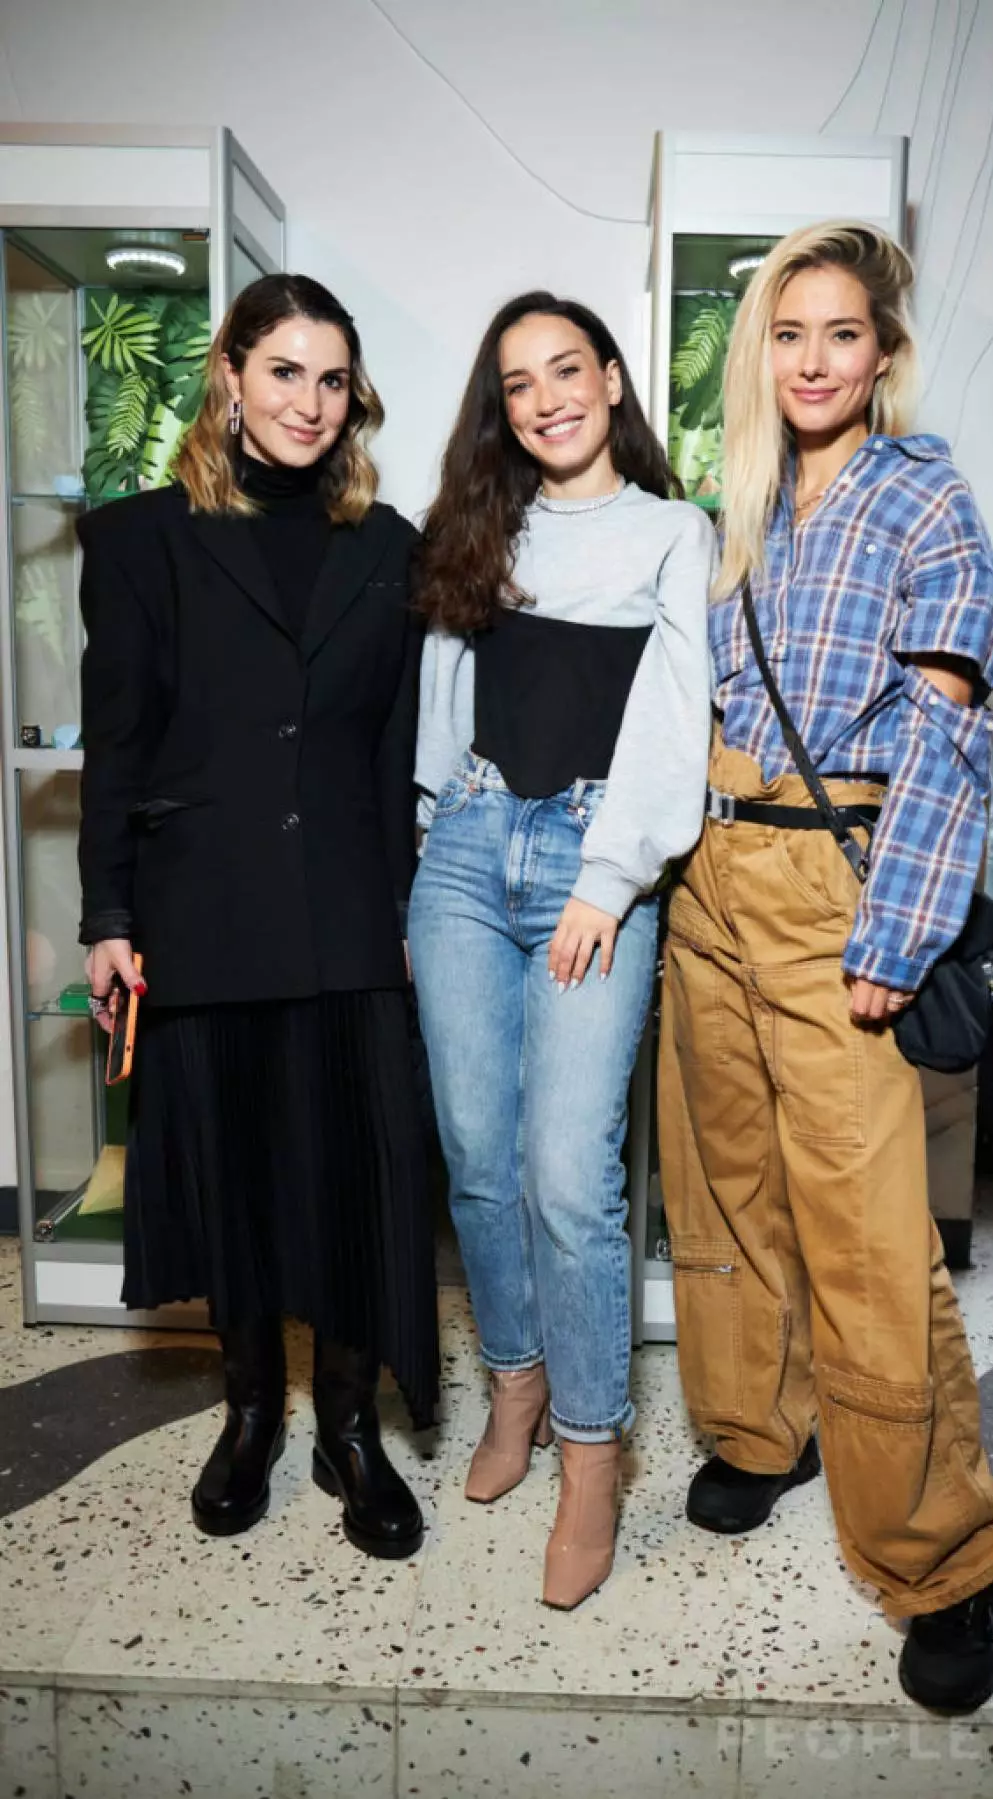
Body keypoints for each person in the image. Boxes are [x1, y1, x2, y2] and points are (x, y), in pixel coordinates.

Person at [657, 222, 993, 1711]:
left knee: (872, 1236)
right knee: (724, 1186)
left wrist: (896, 932)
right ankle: (760, 1429)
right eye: (790, 333)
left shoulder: (919, 492)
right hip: (709, 875)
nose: (815, 359)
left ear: (885, 350)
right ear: (766, 351)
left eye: (843, 334)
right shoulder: (738, 500)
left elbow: (948, 729)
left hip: (838, 886)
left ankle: (939, 1558)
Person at [78, 272, 437, 1559]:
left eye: (332, 378)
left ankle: (349, 1425)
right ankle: (249, 1416)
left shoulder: (388, 546)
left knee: (348, 1178)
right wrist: (107, 910)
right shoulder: (137, 540)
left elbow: (398, 748)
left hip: (349, 919)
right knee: (233, 1180)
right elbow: (117, 743)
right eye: (284, 370)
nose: (309, 401)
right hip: (205, 913)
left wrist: (408, 906)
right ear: (229, 375)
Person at [409, 292, 713, 1609]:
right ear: (504, 405)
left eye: (566, 368)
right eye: (519, 380)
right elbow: (441, 696)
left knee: (569, 1176)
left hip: (598, 864)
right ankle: (515, 1384)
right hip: (470, 853)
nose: (545, 396)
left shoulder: (671, 531)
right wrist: (434, 836)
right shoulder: (483, 527)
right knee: (477, 1159)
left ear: (609, 379)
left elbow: (676, 711)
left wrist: (609, 877)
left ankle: (594, 1451)